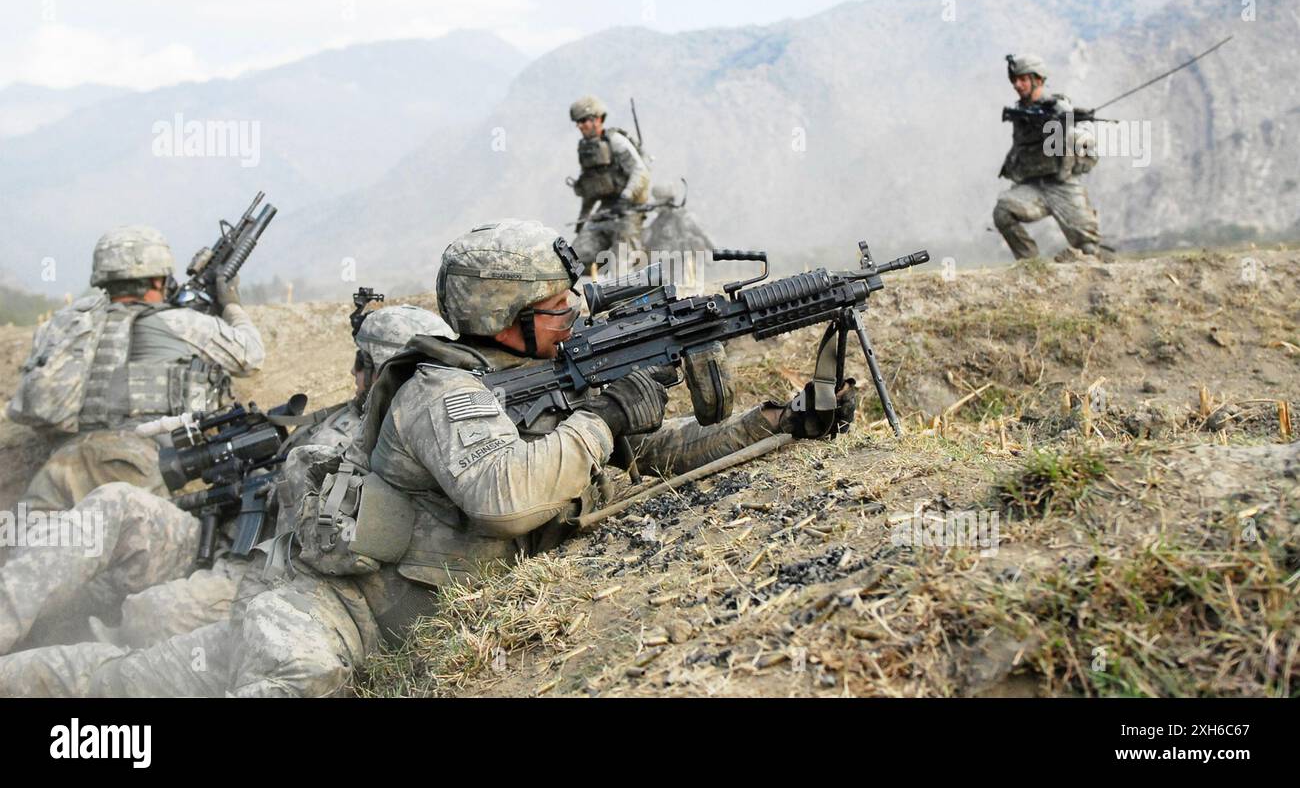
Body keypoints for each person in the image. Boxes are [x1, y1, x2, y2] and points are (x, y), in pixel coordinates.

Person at [0, 220, 853, 697]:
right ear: (504, 311)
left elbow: (651, 454)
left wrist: (769, 422)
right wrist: (600, 418)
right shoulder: (441, 390)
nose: (576, 315)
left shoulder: (542, 375)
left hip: (386, 618)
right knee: (110, 691)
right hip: (324, 616)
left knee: (116, 671)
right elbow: (509, 496)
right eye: (558, 306)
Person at [0, 304, 448, 661]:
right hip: (223, 539)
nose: (353, 372)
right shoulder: (340, 415)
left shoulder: (397, 440)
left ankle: (55, 665)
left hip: (267, 573)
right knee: (116, 502)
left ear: (384, 367)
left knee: (151, 614)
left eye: (361, 362)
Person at [9, 226, 264, 510]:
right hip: (135, 465)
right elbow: (251, 357)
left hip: (61, 464)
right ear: (158, 280)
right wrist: (231, 305)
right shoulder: (180, 322)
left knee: (35, 547)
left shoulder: (62, 325)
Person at [992, 54, 1107, 262]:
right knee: (1003, 212)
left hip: (1062, 186)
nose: (1017, 85)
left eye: (1023, 79)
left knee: (1089, 248)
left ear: (1038, 80)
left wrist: (1065, 123)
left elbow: (1085, 144)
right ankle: (1030, 264)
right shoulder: (1020, 112)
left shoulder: (1058, 108)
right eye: (1014, 80)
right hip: (1033, 187)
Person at [567, 95, 652, 271]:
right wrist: (582, 223)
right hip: (605, 211)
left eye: (583, 121)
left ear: (597, 119)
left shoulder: (615, 141)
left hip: (629, 211)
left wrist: (625, 198)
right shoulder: (586, 148)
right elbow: (590, 189)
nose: (579, 126)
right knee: (573, 259)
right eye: (577, 122)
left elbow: (640, 171)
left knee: (621, 265)